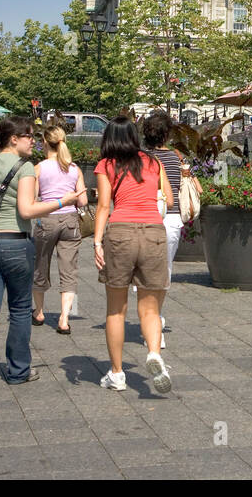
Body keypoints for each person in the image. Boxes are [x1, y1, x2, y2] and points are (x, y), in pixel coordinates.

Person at [0, 116, 85, 397]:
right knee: (19, 309)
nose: (33, 142)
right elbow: (26, 210)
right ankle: (18, 370)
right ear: (13, 139)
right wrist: (65, 201)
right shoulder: (24, 168)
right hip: (14, 243)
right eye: (28, 136)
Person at [94, 116, 174, 393]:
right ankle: (154, 353)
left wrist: (96, 242)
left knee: (116, 309)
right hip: (154, 231)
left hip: (121, 232)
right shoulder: (154, 162)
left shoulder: (106, 165)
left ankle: (117, 374)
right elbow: (169, 199)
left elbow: (104, 205)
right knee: (150, 308)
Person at [140, 110, 201, 348]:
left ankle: (150, 319)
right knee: (164, 272)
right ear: (166, 135)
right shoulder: (176, 158)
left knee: (145, 274)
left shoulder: (141, 159)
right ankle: (155, 318)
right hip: (171, 219)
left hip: (146, 218)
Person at [32, 124, 87, 334]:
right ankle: (64, 318)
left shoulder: (39, 168)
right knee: (69, 269)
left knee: (40, 265)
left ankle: (39, 312)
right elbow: (82, 200)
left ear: (45, 142)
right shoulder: (74, 168)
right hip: (70, 221)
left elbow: (34, 198)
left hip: (46, 219)